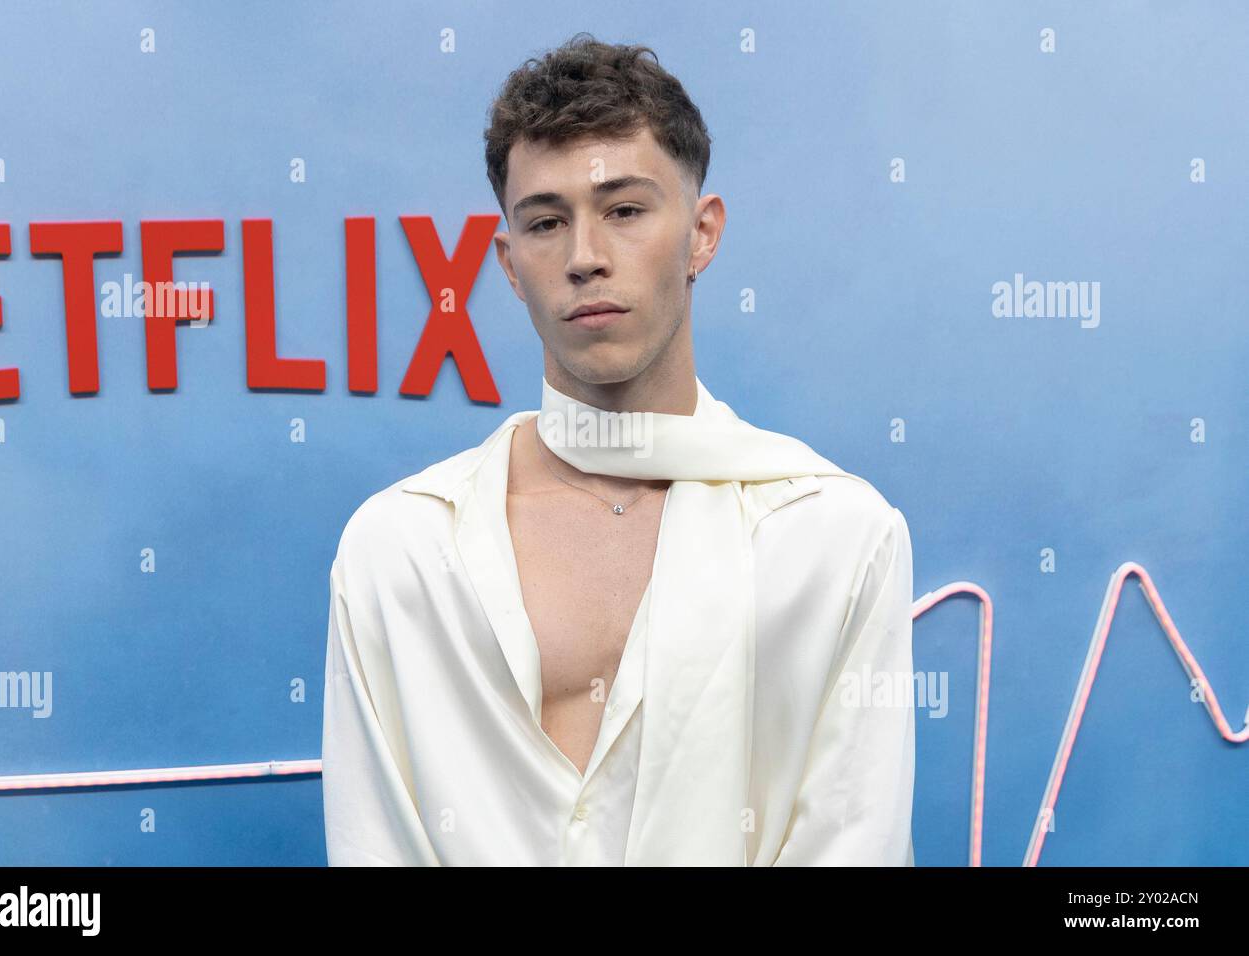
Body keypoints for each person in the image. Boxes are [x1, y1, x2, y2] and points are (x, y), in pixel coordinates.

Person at [321, 33, 916, 866]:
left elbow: (853, 844)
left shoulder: (835, 537)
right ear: (508, 263)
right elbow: (373, 844)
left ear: (703, 234)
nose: (585, 258)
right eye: (545, 222)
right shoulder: (399, 551)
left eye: (626, 211)